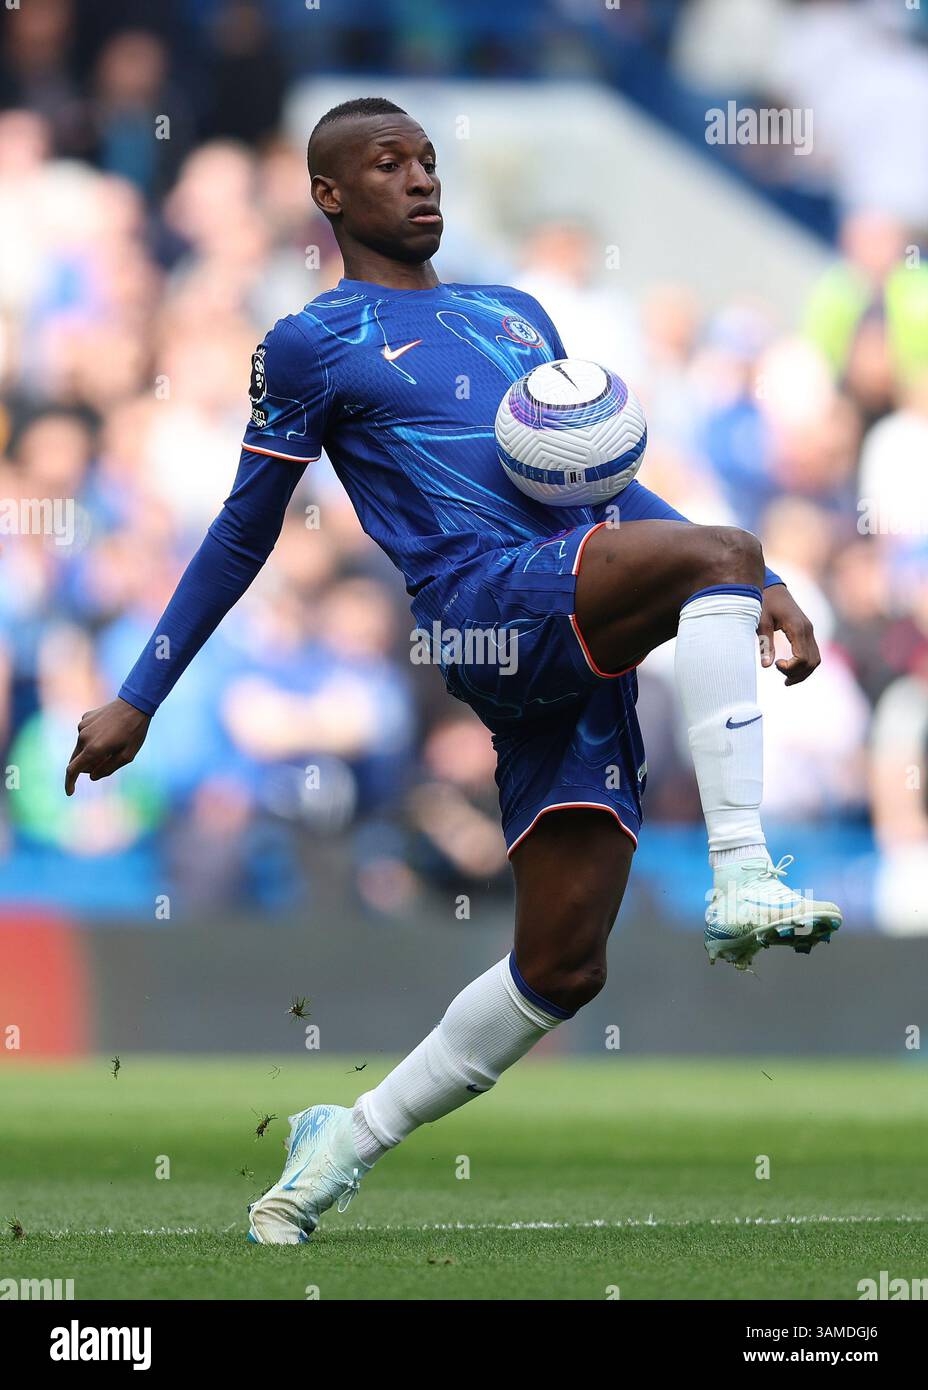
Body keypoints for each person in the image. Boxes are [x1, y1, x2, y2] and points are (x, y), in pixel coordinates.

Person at [64, 98, 841, 1244]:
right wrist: (139, 693)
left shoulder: (512, 312)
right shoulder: (309, 342)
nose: (421, 180)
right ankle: (739, 872)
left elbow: (600, 486)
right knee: (719, 550)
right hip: (486, 604)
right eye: (388, 165)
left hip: (570, 619)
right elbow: (243, 529)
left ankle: (340, 1140)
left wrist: (753, 579)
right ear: (330, 195)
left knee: (563, 965)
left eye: (428, 161)